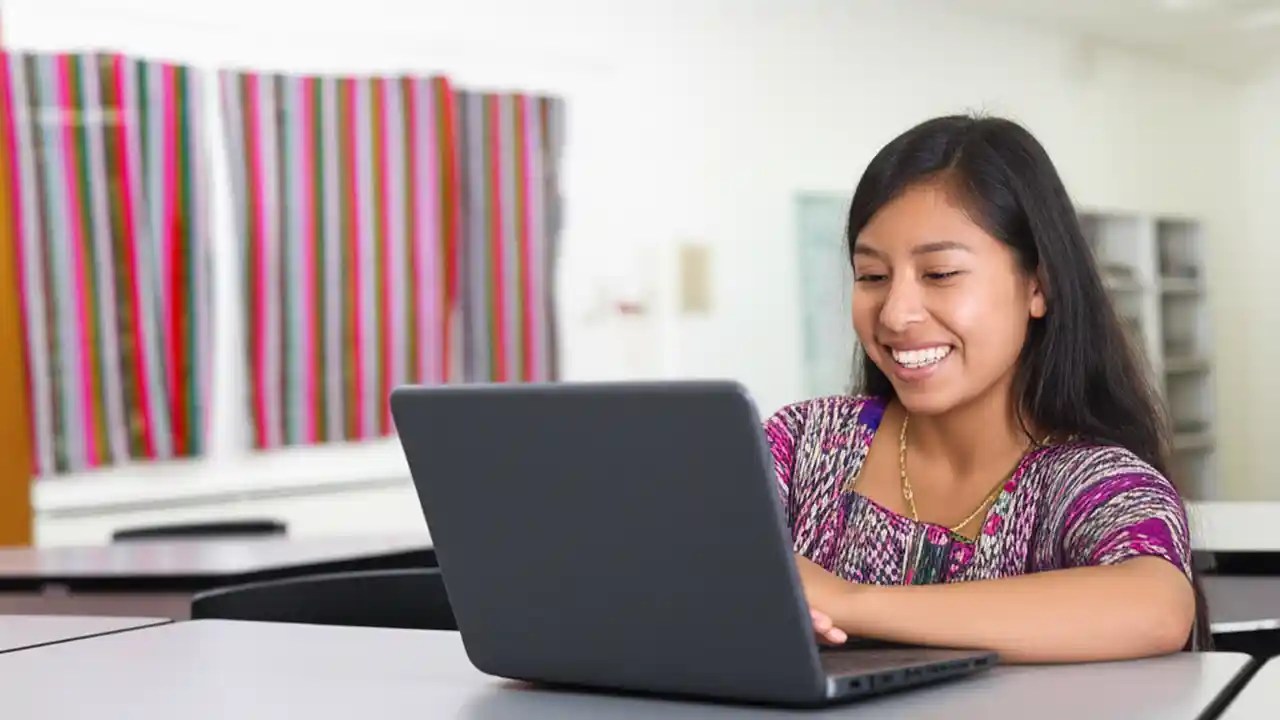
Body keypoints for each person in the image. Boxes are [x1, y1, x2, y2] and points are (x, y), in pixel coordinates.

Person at [766, 114, 1209, 663]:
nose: (897, 313)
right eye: (872, 277)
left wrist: (848, 601)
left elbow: (1156, 606)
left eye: (941, 274)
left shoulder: (1088, 480)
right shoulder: (805, 443)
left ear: (1037, 287)